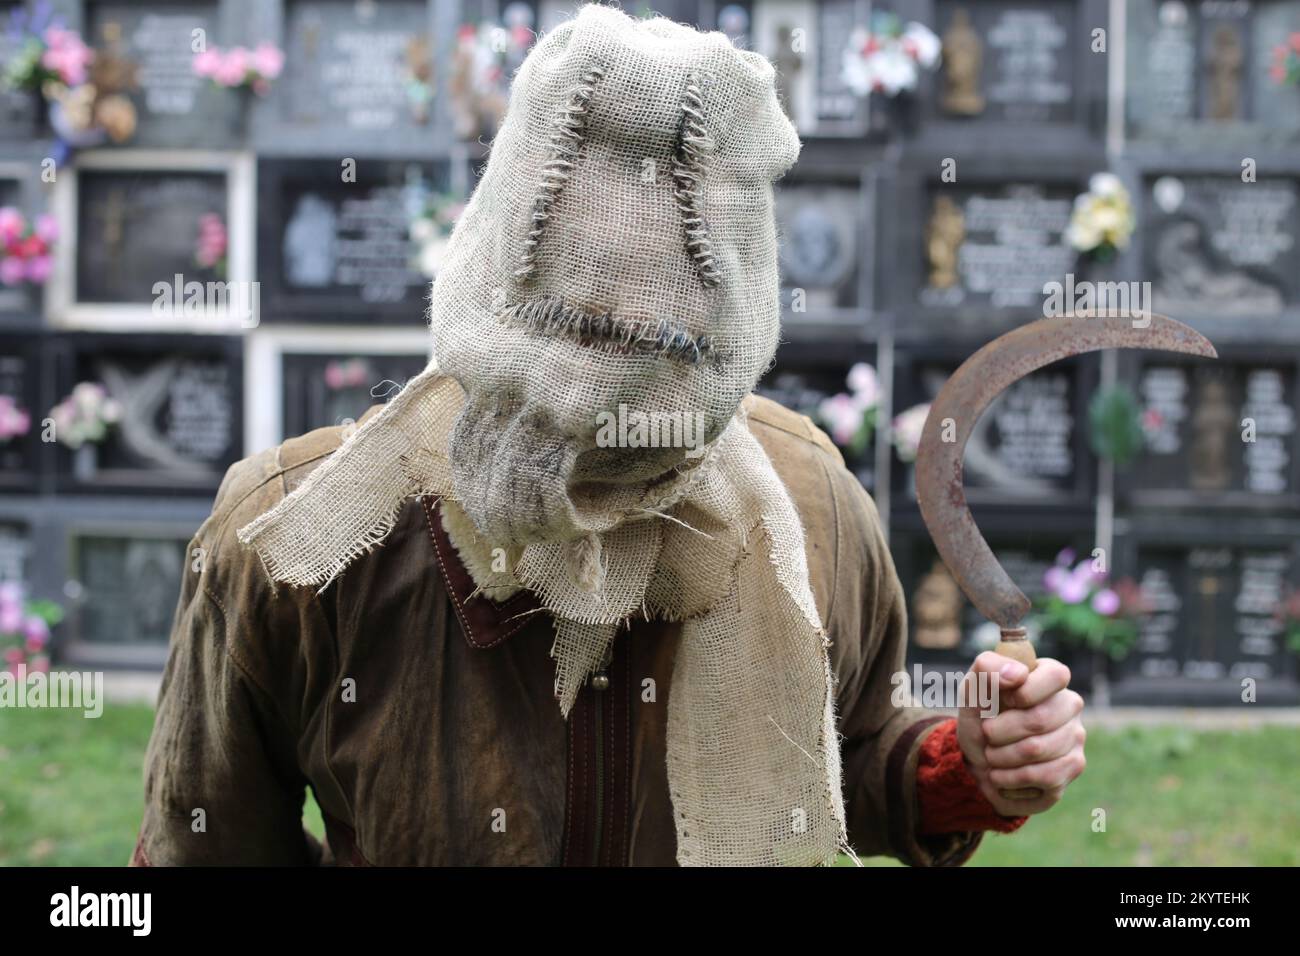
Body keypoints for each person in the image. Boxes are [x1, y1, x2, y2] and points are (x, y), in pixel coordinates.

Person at [132, 4, 1084, 867]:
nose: (619, 333)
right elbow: (205, 845)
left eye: (666, 293)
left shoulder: (807, 503)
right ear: (507, 244)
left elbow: (853, 753)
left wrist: (971, 769)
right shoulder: (302, 538)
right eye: (585, 299)